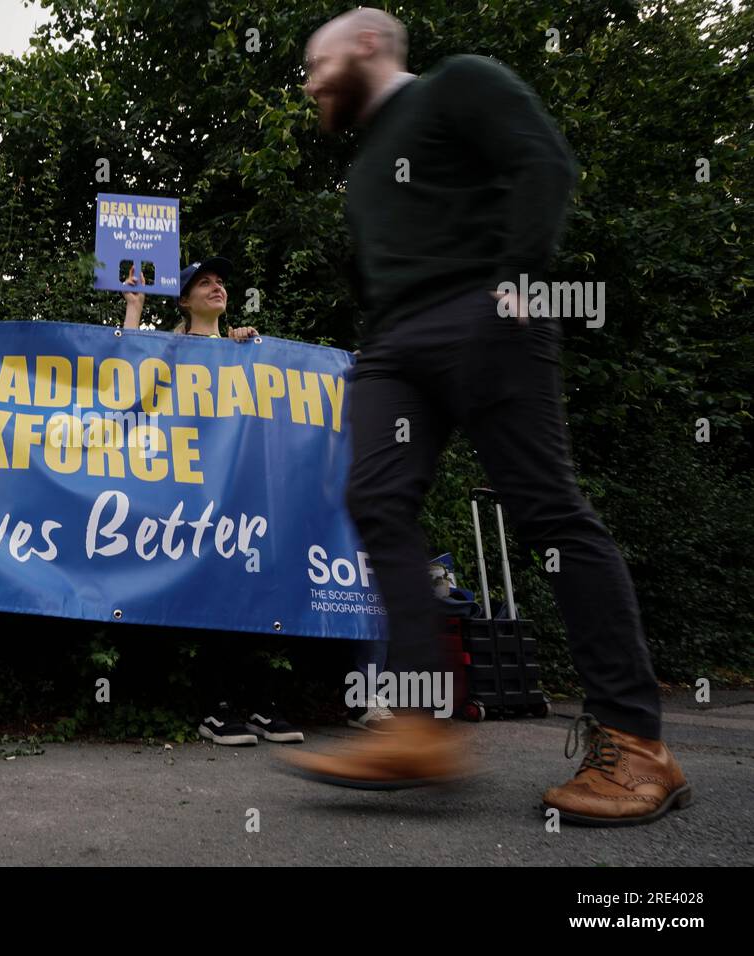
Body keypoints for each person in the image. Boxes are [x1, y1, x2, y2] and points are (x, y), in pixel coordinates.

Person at [284, 8, 690, 825]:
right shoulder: (366, 168)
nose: (310, 80)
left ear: (366, 43)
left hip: (488, 313)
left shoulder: (459, 85)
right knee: (375, 501)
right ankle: (417, 725)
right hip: (394, 351)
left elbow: (542, 161)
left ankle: (638, 746)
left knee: (548, 513)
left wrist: (516, 281)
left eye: (314, 61)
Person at [122, 259, 302, 745]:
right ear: (184, 300)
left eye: (221, 280)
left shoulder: (245, 350)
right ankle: (216, 709)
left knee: (255, 590)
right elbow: (127, 385)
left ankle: (263, 705)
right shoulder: (171, 347)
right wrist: (135, 308)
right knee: (213, 594)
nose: (217, 286)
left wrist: (245, 352)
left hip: (242, 491)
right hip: (189, 489)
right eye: (204, 282)